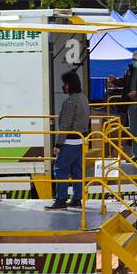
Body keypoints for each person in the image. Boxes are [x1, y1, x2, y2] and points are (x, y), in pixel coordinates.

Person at [46, 71, 91, 211]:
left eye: (65, 83)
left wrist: (58, 144)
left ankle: (61, 199)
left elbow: (65, 125)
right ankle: (77, 198)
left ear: (69, 85)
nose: (63, 86)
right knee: (77, 170)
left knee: (60, 168)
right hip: (81, 140)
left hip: (70, 141)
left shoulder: (70, 101)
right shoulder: (83, 98)